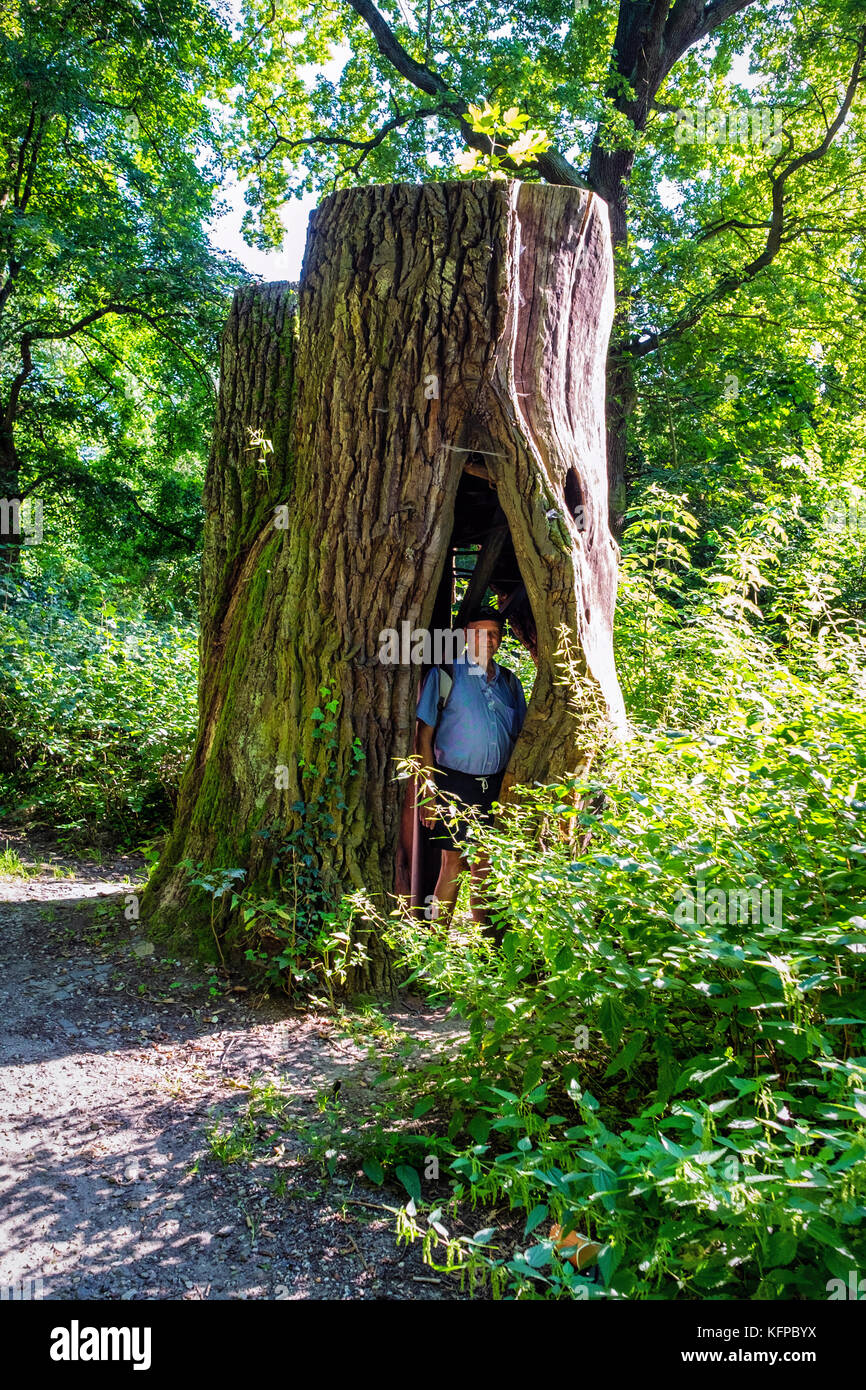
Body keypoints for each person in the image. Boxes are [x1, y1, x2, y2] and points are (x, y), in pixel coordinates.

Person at [415, 607, 527, 939]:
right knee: (453, 865)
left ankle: (488, 951)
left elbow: (521, 736)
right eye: (480, 632)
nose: (488, 639)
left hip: (496, 787)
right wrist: (427, 793)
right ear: (465, 635)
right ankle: (434, 944)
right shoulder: (446, 674)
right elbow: (423, 736)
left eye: (494, 633)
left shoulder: (509, 681)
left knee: (486, 867)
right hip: (453, 784)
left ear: (501, 639)